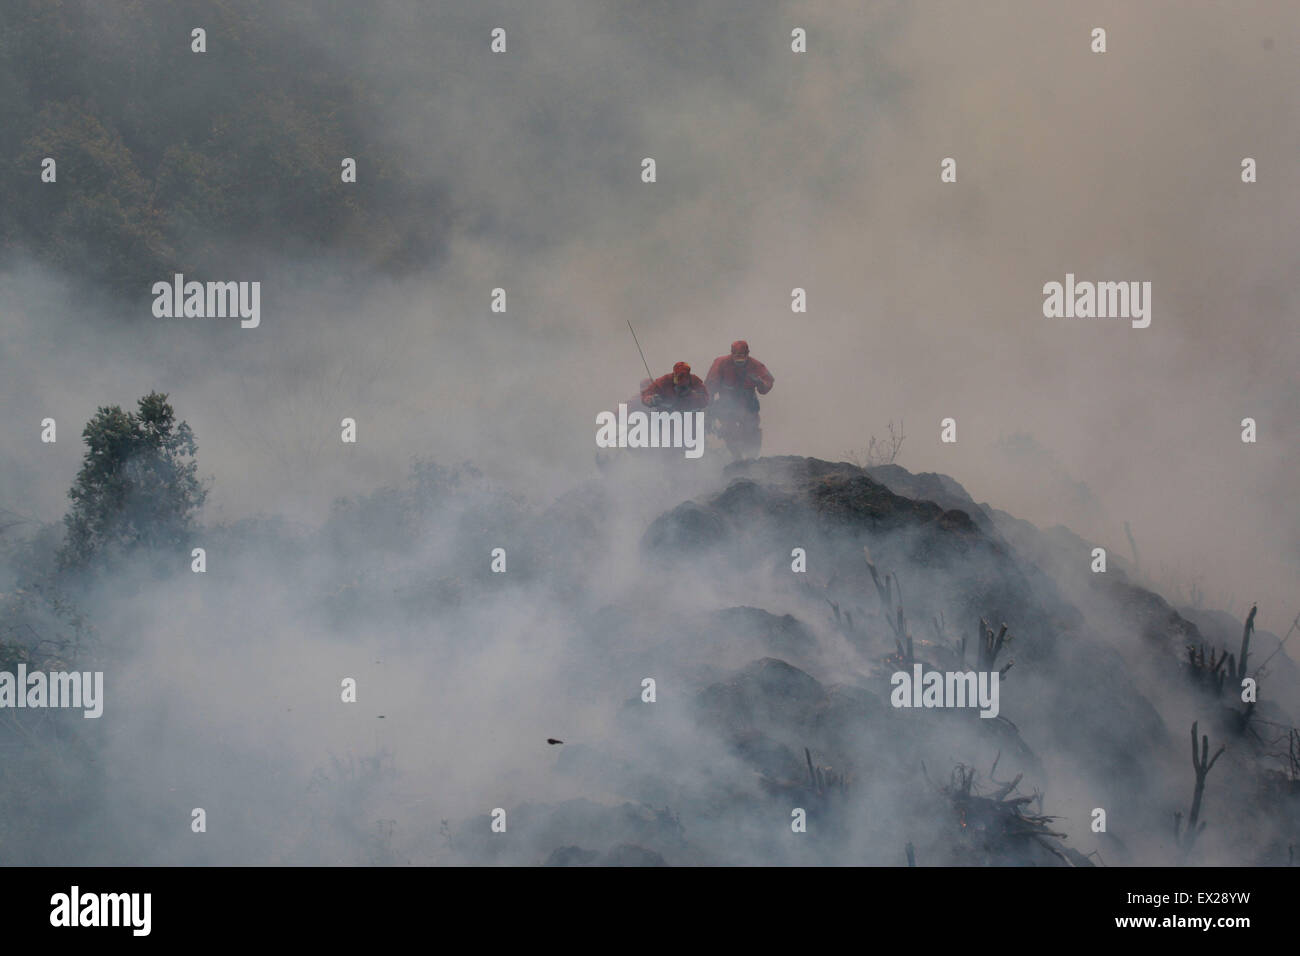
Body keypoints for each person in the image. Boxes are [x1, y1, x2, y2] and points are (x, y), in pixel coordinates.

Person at [704, 340, 773, 459]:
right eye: (737, 356)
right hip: (726, 403)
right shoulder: (721, 363)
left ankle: (752, 458)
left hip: (748, 403)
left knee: (751, 430)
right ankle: (737, 457)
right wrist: (708, 410)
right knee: (729, 429)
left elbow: (768, 381)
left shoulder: (756, 365)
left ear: (748, 354)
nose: (740, 360)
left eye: (743, 356)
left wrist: (759, 382)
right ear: (732, 354)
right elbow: (710, 386)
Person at [642, 361, 709, 412]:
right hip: (667, 419)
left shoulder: (695, 381)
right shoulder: (664, 381)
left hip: (690, 418)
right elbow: (646, 394)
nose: (682, 378)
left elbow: (706, 399)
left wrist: (693, 397)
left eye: (684, 375)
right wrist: (651, 399)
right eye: (679, 376)